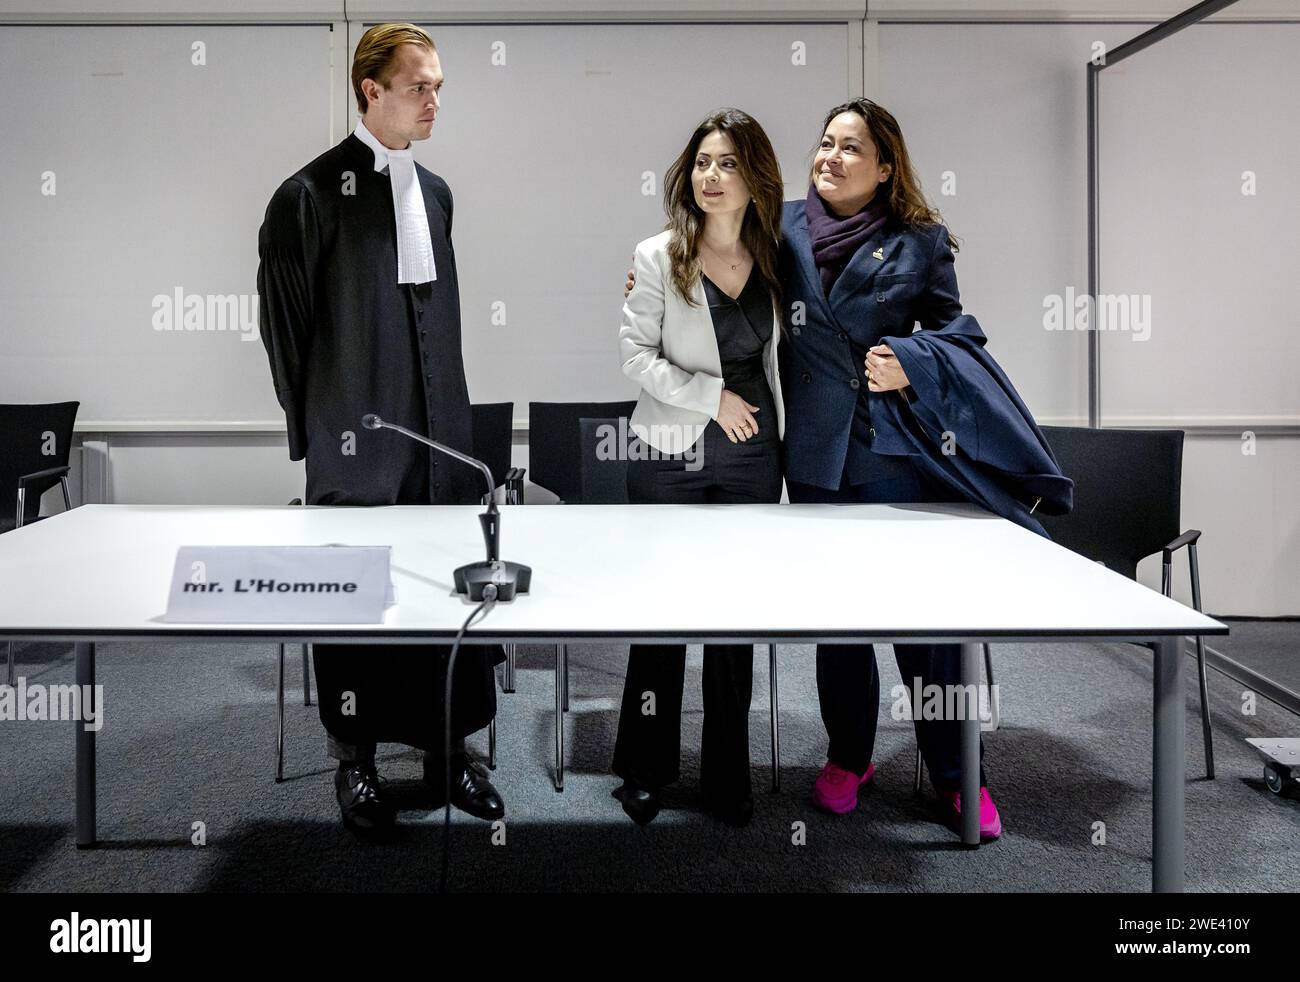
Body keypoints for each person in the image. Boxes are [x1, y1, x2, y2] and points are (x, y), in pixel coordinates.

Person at [257, 23, 504, 837]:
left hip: (438, 431)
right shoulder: (306, 195)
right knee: (356, 601)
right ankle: (355, 760)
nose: (435, 100)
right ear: (371, 90)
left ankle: (449, 755)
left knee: (443, 592)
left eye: (439, 85)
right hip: (354, 436)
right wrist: (319, 435)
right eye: (419, 85)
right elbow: (284, 331)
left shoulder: (436, 193)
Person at [612, 109, 786, 827]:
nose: (713, 177)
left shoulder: (779, 254)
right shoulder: (658, 255)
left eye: (731, 165)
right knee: (662, 615)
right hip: (670, 456)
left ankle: (727, 774)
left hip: (752, 457)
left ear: (756, 180)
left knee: (732, 618)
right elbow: (636, 358)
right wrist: (711, 398)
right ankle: (646, 769)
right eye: (704, 163)